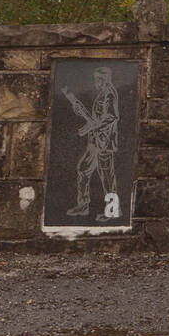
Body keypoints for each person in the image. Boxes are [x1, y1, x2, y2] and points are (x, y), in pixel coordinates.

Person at [64, 67, 120, 222]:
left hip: (105, 142)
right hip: (95, 141)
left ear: (105, 80)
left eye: (98, 79)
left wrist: (93, 126)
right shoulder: (102, 93)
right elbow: (95, 117)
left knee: (107, 177)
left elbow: (112, 117)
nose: (96, 82)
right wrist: (80, 111)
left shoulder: (109, 93)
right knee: (83, 170)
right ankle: (83, 205)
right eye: (95, 79)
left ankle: (113, 211)